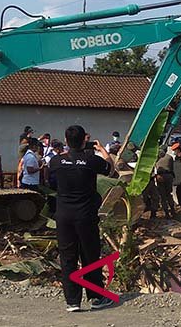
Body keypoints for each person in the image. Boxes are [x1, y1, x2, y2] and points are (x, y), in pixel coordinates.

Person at [49, 125, 115, 312]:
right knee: (90, 256)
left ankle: (72, 301)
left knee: (67, 258)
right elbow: (110, 169)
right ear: (84, 140)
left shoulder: (56, 161)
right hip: (85, 215)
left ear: (66, 140)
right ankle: (96, 297)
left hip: (64, 216)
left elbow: (51, 180)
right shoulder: (91, 160)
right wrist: (102, 150)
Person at [154, 149, 176, 218]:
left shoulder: (155, 158)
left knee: (163, 196)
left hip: (160, 176)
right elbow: (172, 168)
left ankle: (166, 212)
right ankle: (172, 209)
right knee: (169, 194)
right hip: (169, 176)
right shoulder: (169, 157)